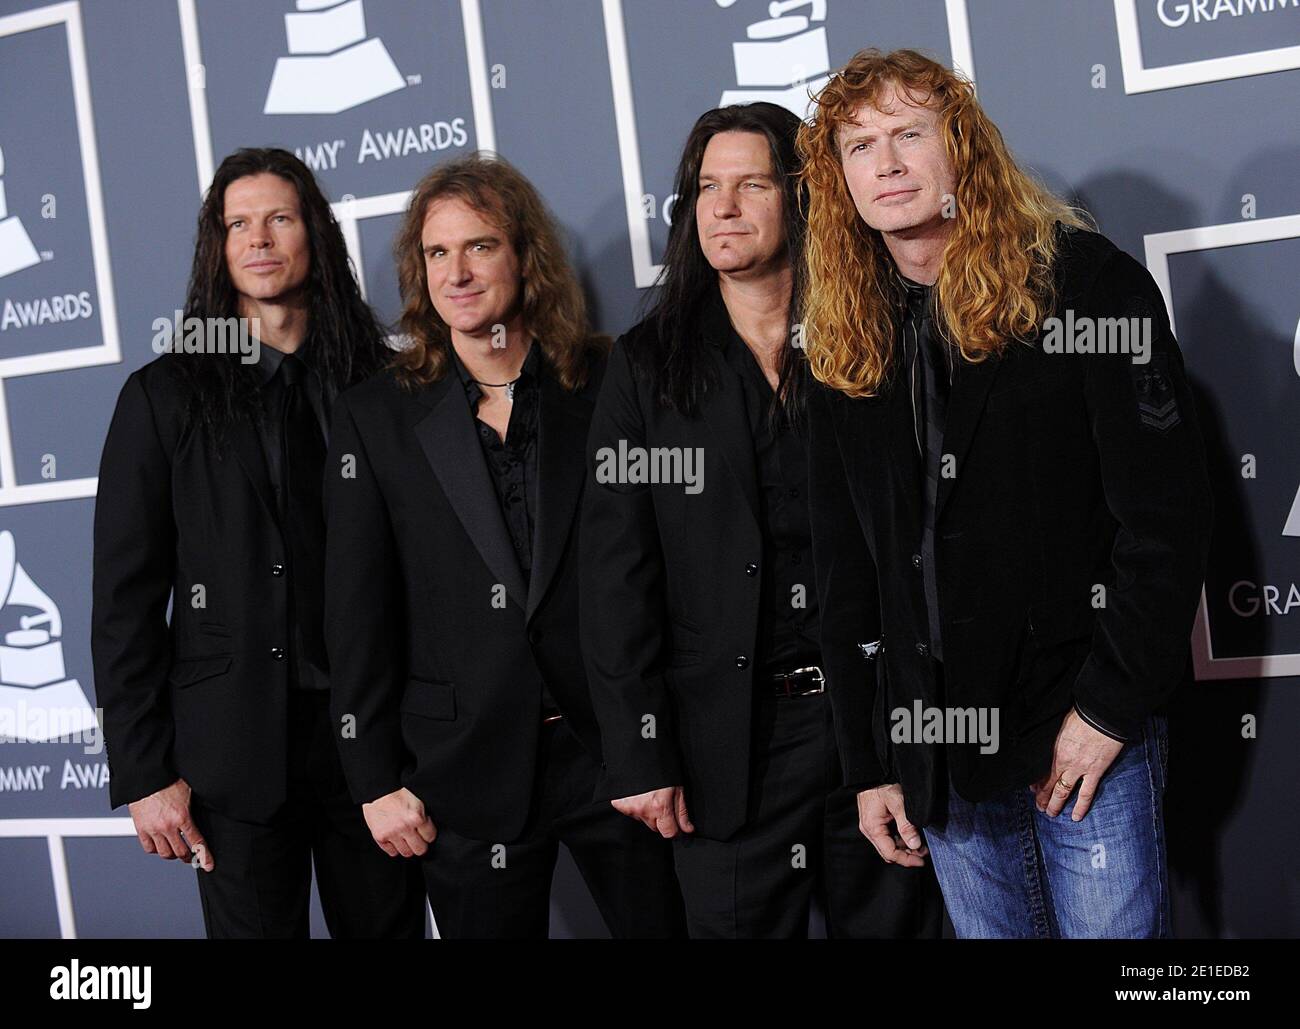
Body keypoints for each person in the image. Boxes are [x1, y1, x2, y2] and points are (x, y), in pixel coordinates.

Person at [797, 48, 1213, 937]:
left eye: (910, 133)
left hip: (1080, 733)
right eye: (860, 145)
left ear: (963, 148)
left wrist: (1106, 709)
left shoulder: (1086, 285)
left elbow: (1166, 520)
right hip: (940, 757)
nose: (889, 162)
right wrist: (869, 761)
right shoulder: (844, 336)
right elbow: (847, 576)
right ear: (839, 180)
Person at [581, 103, 944, 938]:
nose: (723, 206)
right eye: (707, 187)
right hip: (725, 748)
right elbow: (614, 577)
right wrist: (641, 753)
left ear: (803, 197)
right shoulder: (645, 366)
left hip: (876, 726)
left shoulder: (874, 336)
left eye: (750, 184)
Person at [323, 154, 686, 939]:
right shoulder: (376, 418)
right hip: (461, 768)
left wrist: (657, 738)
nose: (457, 271)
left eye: (480, 245)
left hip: (614, 752)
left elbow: (668, 569)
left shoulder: (609, 381)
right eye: (437, 252)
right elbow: (356, 613)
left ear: (524, 254)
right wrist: (374, 780)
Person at [92, 147, 425, 938]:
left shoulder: (386, 389)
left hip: (376, 749)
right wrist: (146, 772)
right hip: (230, 756)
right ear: (218, 246)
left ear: (314, 233)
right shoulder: (163, 397)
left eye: (279, 217)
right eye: (238, 223)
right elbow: (124, 601)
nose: (259, 238)